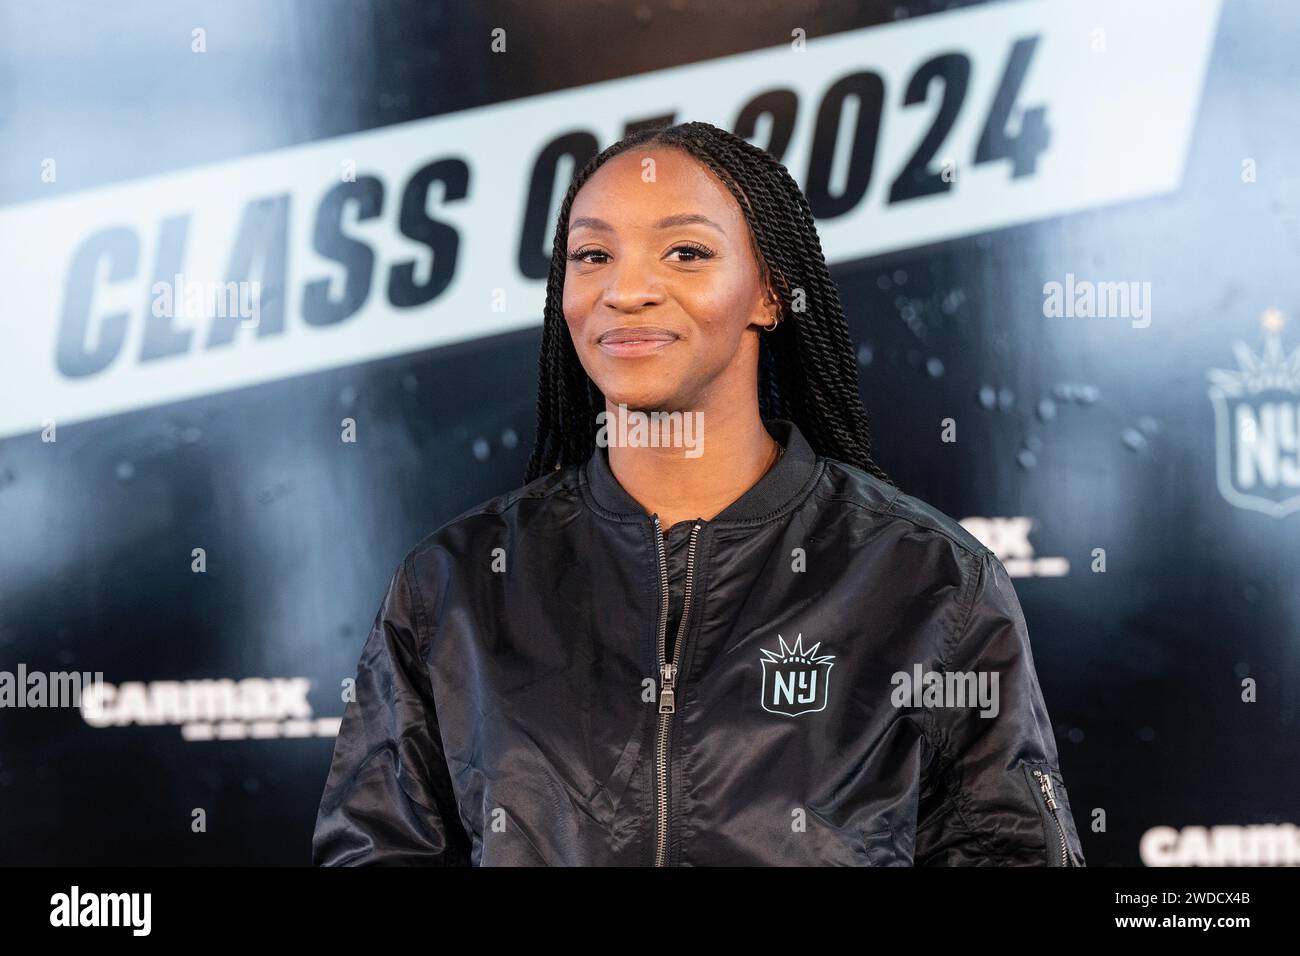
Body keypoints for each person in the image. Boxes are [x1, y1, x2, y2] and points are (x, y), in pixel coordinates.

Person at [311, 121, 1086, 867]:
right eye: (591, 256)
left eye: (685, 251)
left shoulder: (930, 583)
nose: (627, 289)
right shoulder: (456, 585)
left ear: (770, 294)